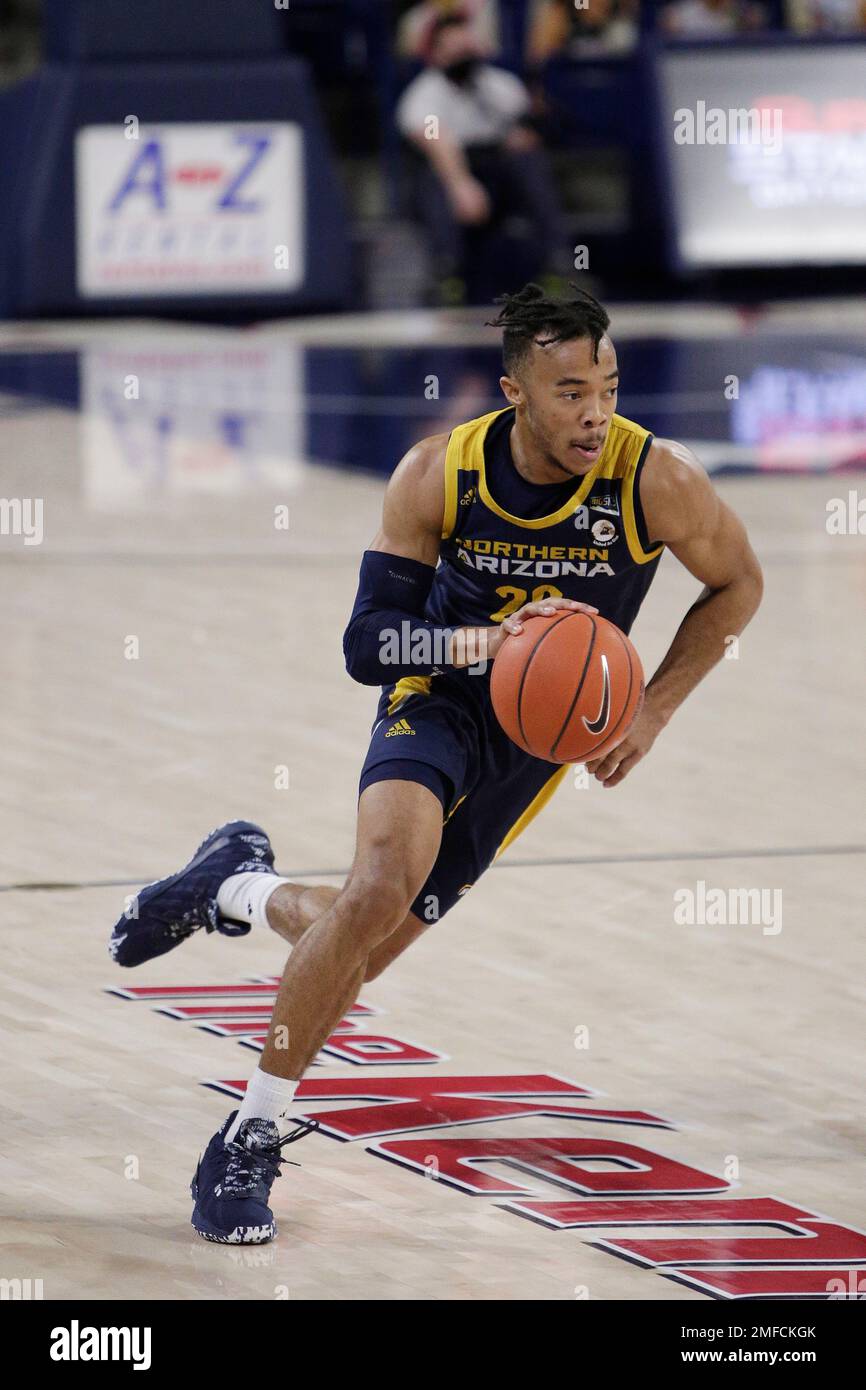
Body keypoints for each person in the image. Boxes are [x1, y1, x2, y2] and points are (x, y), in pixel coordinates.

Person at [108, 283, 763, 1244]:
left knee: (356, 957)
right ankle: (248, 1134)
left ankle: (238, 887)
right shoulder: (438, 472)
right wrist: (485, 647)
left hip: (536, 745)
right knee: (378, 884)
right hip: (440, 696)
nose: (596, 412)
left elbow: (739, 583)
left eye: (609, 385)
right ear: (514, 392)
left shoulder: (656, 480)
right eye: (570, 390)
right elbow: (368, 646)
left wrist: (654, 709)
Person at [395, 14, 569, 295]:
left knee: (529, 163)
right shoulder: (423, 95)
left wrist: (524, 134)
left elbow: (529, 128)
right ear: (436, 55)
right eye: (454, 50)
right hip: (455, 170)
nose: (463, 56)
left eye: (466, 48)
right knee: (435, 178)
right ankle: (447, 274)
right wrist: (461, 184)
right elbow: (437, 142)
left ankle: (558, 262)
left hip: (497, 172)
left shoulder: (500, 85)